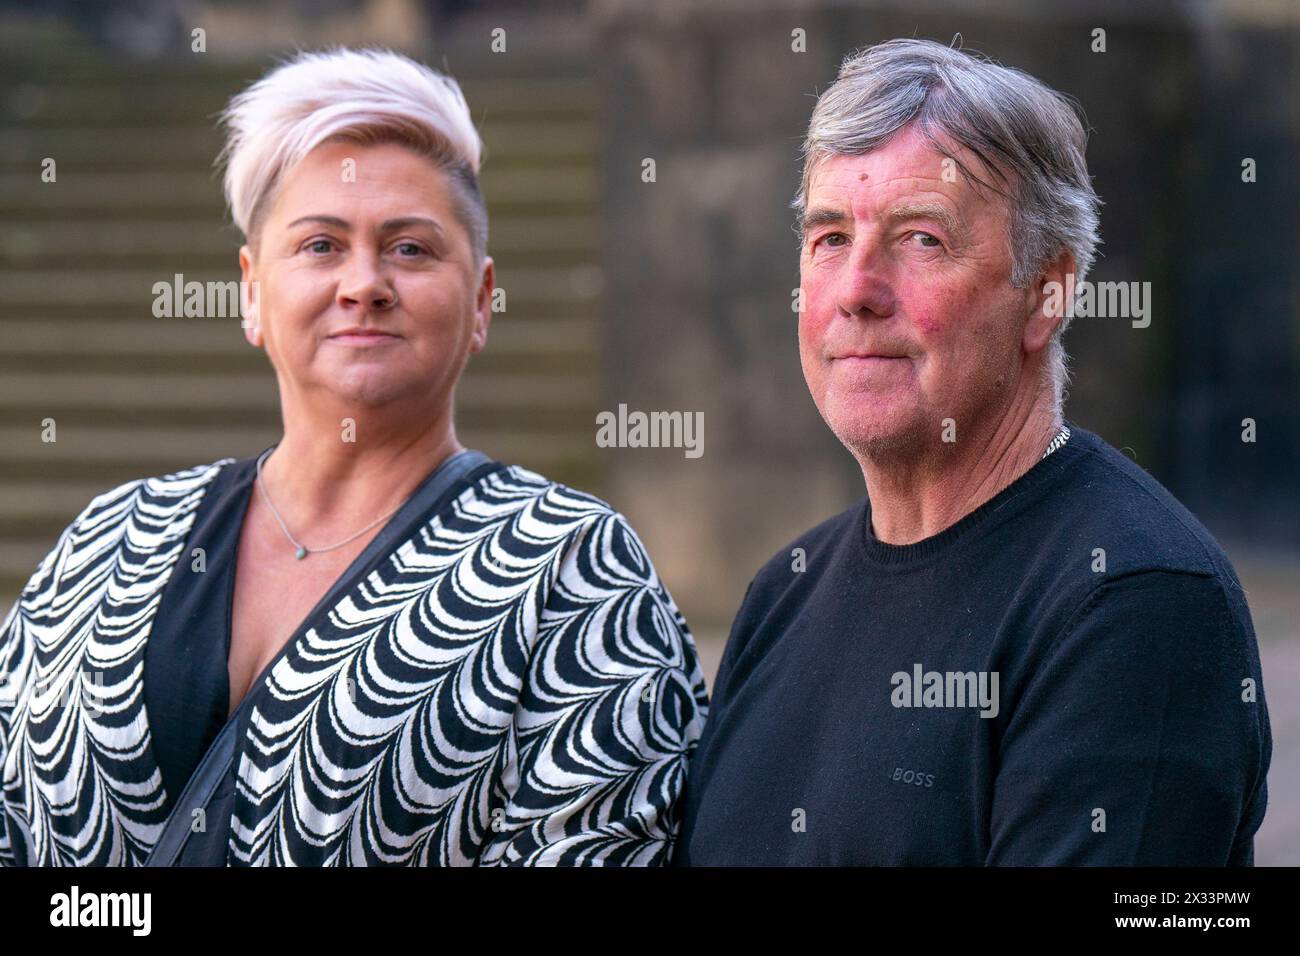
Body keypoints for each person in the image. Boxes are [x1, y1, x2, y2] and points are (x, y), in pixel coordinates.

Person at [0, 48, 707, 866]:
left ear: (480, 301)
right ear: (252, 292)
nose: (364, 283)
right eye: (320, 246)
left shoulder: (576, 570)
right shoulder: (112, 537)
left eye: (410, 249)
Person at [673, 38, 1271, 865]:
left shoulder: (1136, 601)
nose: (855, 291)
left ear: (1047, 293)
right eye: (830, 238)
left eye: (921, 239)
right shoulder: (784, 594)